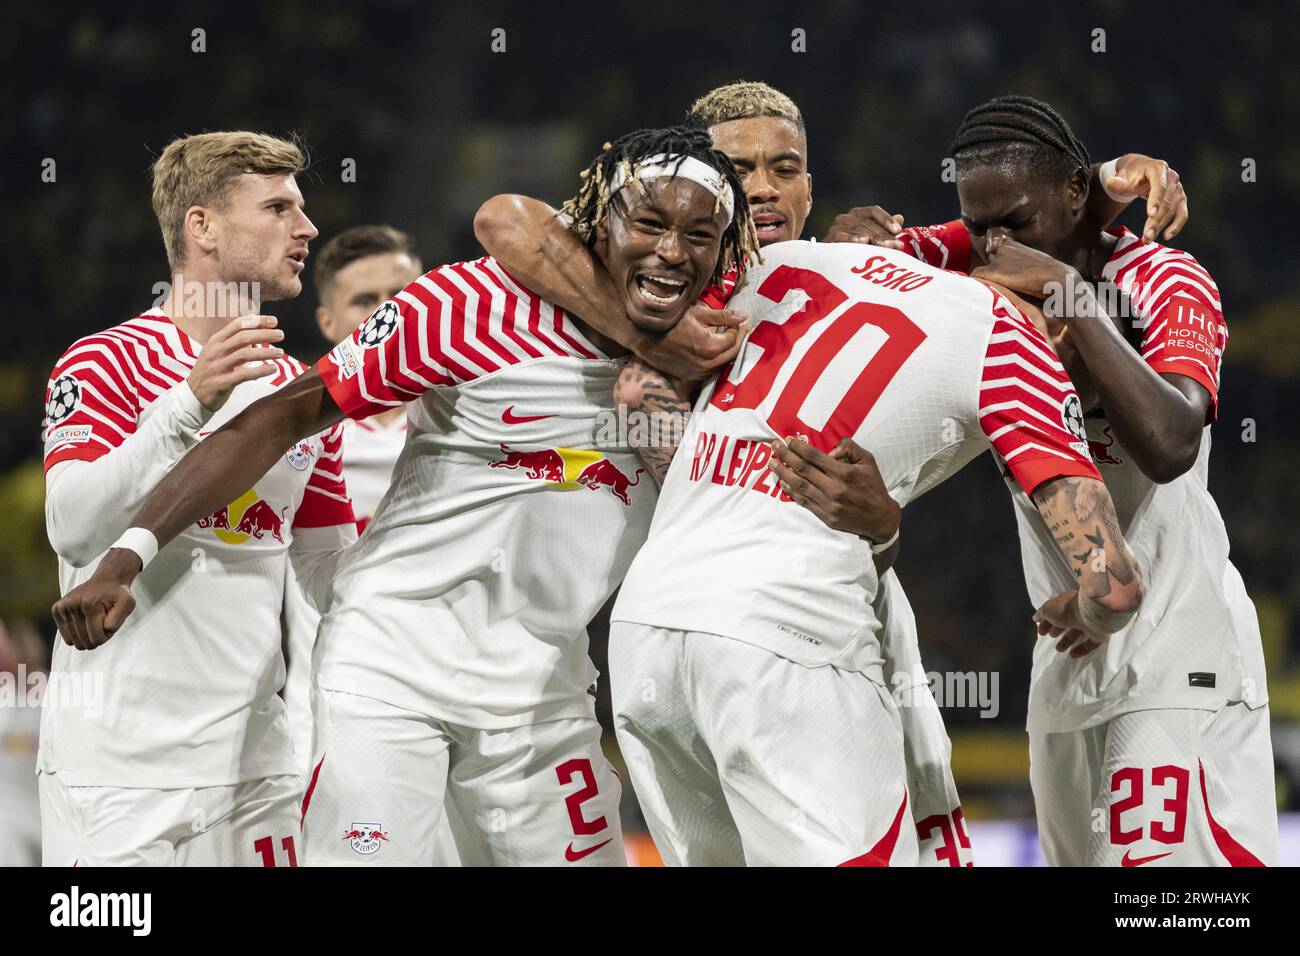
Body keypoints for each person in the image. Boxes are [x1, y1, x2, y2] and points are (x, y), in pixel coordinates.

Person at [474, 80, 1181, 866]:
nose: (766, 189)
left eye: (787, 168)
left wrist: (878, 531)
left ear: (813, 182)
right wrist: (1088, 605)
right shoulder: (1001, 341)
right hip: (791, 635)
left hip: (652, 635)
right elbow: (1115, 583)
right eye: (741, 172)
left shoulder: (771, 271)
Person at [52, 127, 758, 867]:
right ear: (598, 221)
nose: (672, 251)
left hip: (543, 690)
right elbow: (283, 414)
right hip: (390, 672)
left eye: (699, 235)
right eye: (647, 224)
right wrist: (129, 554)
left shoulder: (726, 349)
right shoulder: (467, 305)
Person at [827, 94, 1276, 867]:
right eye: (980, 227)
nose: (997, 245)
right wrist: (854, 234)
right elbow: (856, 255)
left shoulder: (1165, 279)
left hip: (1177, 654)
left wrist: (1068, 296)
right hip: (1068, 661)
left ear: (1072, 197)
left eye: (1017, 224)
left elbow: (1171, 441)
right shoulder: (986, 255)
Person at [41, 131, 356, 866]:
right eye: (277, 208)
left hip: (258, 769)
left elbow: (326, 573)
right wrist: (186, 405)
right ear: (202, 227)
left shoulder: (295, 391)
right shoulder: (106, 360)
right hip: (118, 773)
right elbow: (73, 529)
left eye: (300, 209)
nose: (305, 229)